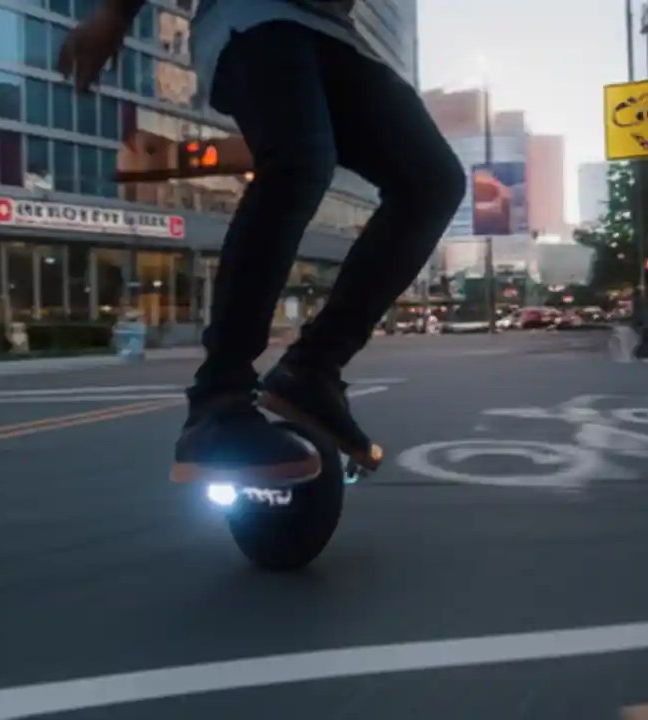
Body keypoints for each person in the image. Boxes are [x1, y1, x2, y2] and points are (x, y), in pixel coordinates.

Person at [60, 0, 465, 485]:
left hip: (336, 32)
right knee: (300, 158)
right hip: (251, 16)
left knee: (434, 181)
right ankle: (218, 396)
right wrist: (116, 15)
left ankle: (312, 369)